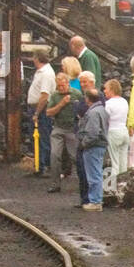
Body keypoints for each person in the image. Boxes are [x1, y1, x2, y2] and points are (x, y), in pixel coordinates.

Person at [46, 71, 83, 193]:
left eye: (63, 85)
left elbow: (83, 109)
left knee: (75, 157)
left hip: (72, 129)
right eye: (59, 86)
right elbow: (49, 112)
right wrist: (61, 104)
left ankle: (83, 184)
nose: (61, 88)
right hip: (58, 128)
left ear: (68, 83)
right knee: (55, 155)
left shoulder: (76, 94)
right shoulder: (55, 96)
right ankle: (55, 184)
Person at [77, 88, 109, 211]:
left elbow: (93, 133)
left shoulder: (93, 113)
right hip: (100, 146)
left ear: (87, 99)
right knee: (97, 173)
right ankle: (97, 200)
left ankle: (95, 202)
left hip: (93, 147)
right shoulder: (102, 110)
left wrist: (83, 143)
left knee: (93, 174)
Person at [26, 49, 56, 175]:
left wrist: (37, 113)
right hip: (37, 108)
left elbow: (44, 95)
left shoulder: (46, 73)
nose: (32, 59)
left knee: (42, 137)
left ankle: (43, 166)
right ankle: (39, 165)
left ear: (37, 58)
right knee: (37, 137)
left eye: (33, 57)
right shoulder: (41, 72)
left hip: (41, 109)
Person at [73, 69, 98, 204]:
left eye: (85, 82)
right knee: (81, 169)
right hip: (81, 136)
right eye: (81, 82)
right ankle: (84, 198)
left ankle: (91, 199)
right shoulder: (82, 99)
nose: (82, 84)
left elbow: (82, 113)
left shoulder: (98, 97)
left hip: (91, 139)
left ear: (92, 83)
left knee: (90, 170)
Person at [103, 79, 129, 196]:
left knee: (114, 162)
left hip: (113, 131)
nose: (104, 91)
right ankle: (124, 186)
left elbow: (105, 119)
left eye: (106, 89)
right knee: (123, 160)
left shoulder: (108, 104)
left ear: (112, 89)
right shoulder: (124, 101)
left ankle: (113, 188)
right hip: (124, 131)